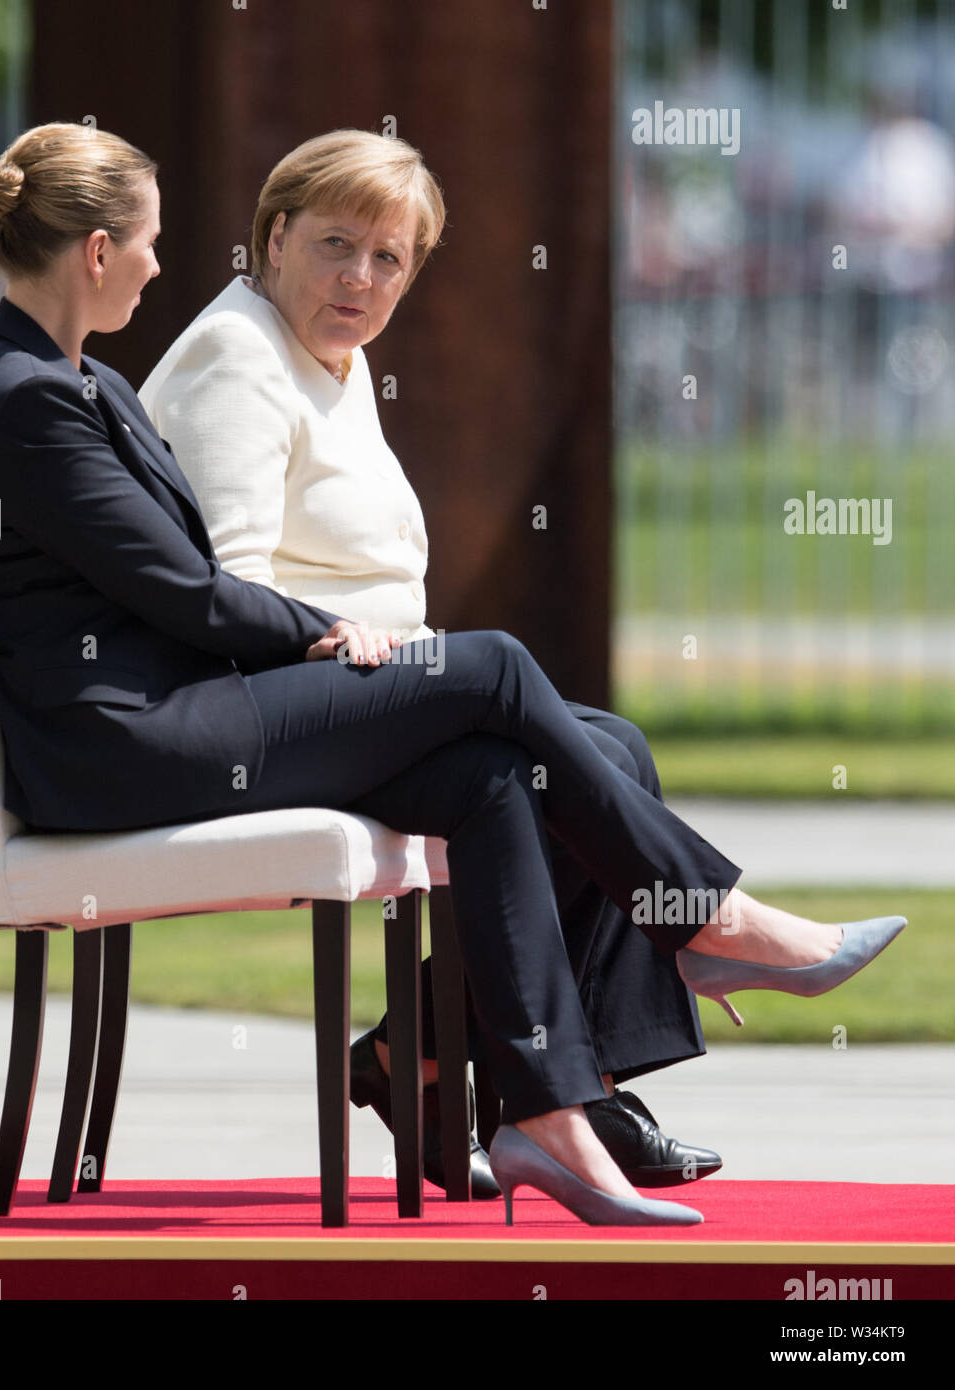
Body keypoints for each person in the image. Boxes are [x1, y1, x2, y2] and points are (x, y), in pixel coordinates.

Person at [0, 122, 905, 1229]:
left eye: (389, 257)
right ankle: (705, 919)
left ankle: (543, 1105)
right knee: (492, 667)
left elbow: (173, 586)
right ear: (100, 251)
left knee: (496, 773)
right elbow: (192, 594)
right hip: (132, 745)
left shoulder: (77, 381)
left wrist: (342, 644)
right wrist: (335, 636)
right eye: (152, 244)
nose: (166, 265)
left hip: (178, 717)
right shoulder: (32, 399)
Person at [134, 130, 699, 1196]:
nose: (360, 277)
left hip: (344, 690)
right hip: (255, 709)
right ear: (273, 238)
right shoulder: (241, 354)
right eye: (337, 245)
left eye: (389, 258)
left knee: (607, 748)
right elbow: (222, 585)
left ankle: (487, 1067)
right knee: (543, 747)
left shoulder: (332, 358)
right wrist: (344, 638)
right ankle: (674, 947)